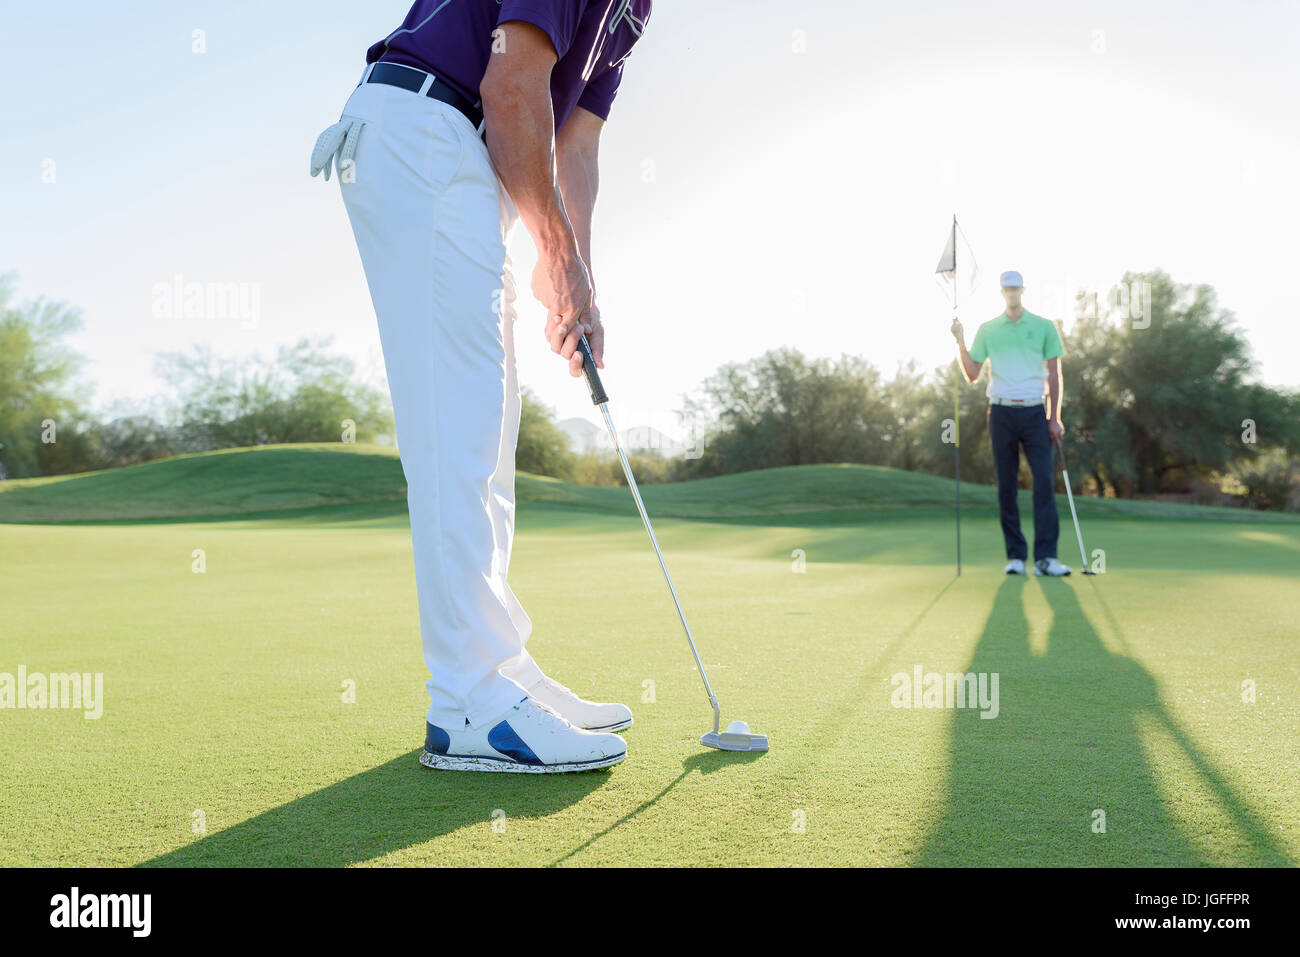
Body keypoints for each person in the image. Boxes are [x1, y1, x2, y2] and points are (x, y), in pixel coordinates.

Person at [310, 1, 652, 773]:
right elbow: (511, 88)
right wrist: (555, 254)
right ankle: (469, 700)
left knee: (490, 429)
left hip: (462, 155)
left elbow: (577, 143)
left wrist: (576, 281)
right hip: (428, 126)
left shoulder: (635, 10)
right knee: (457, 427)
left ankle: (500, 669)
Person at [951, 270, 1071, 577]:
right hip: (1001, 413)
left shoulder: (1044, 327)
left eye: (1016, 288)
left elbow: (1055, 374)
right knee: (1007, 485)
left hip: (1034, 413)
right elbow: (972, 374)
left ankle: (1046, 558)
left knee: (1044, 481)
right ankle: (1016, 556)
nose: (1012, 293)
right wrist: (960, 341)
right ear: (1002, 292)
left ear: (1023, 290)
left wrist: (1054, 417)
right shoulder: (988, 329)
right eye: (1007, 289)